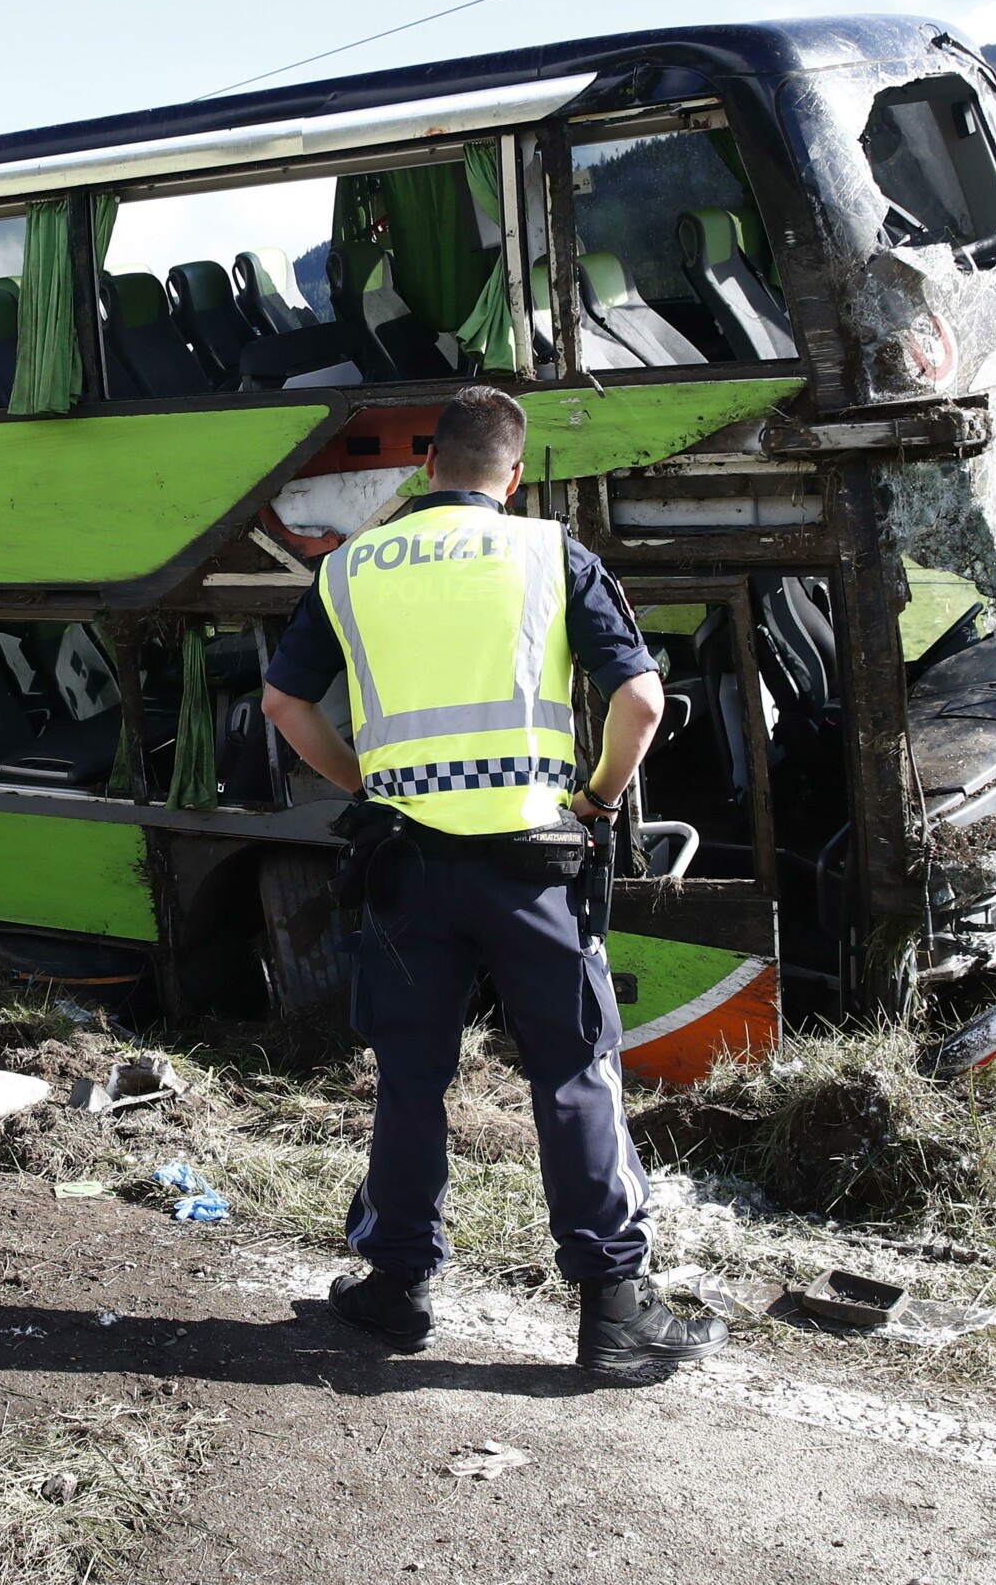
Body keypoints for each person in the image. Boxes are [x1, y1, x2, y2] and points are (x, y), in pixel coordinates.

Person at [258, 385, 728, 1373]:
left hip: (405, 864)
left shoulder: (351, 568)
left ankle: (394, 1289)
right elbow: (639, 702)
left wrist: (367, 781)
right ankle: (612, 1309)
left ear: (428, 466)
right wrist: (597, 800)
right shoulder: (551, 551)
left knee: (411, 1078)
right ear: (511, 476)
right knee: (572, 1071)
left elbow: (283, 703)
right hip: (533, 864)